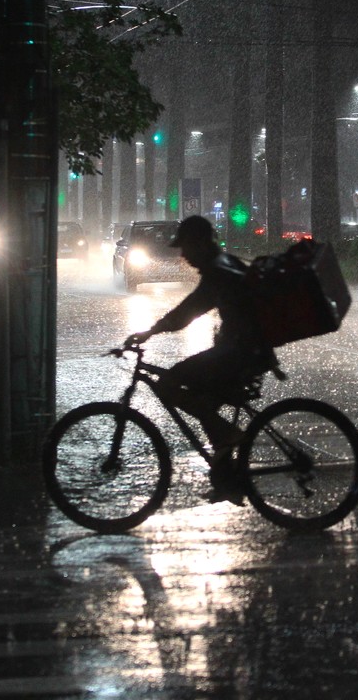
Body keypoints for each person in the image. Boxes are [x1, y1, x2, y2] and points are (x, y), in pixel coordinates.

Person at [123, 215, 275, 503]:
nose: (183, 255)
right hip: (245, 350)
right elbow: (191, 309)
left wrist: (150, 331)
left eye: (186, 247)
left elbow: (188, 311)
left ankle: (229, 436)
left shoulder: (219, 271)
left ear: (201, 244)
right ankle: (227, 477)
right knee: (203, 401)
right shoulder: (224, 264)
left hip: (241, 353)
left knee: (171, 380)